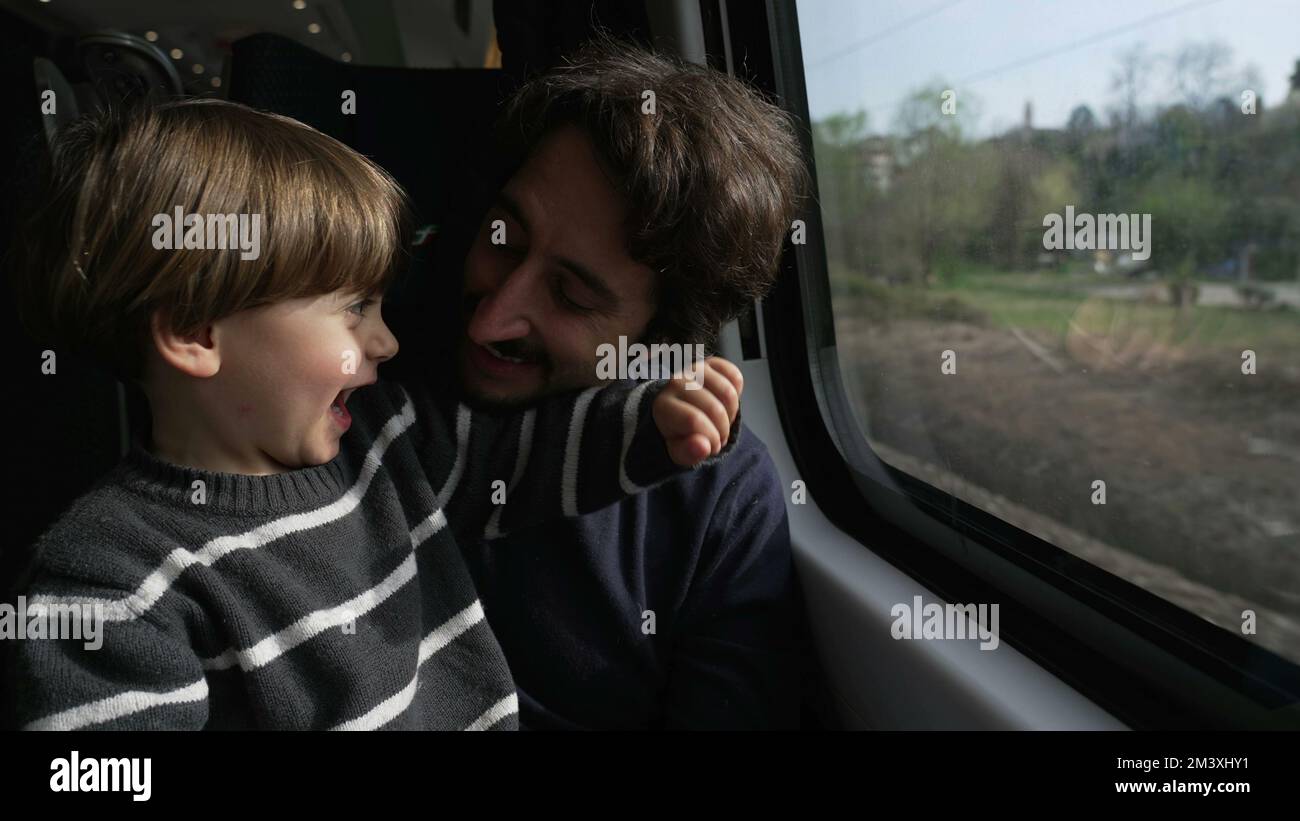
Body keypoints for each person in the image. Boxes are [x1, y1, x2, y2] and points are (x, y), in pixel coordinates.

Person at [4, 98, 744, 730]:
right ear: (197, 332)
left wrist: (648, 422)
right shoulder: (111, 580)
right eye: (354, 308)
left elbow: (518, 463)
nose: (387, 340)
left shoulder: (388, 439)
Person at [449, 37, 810, 728]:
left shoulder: (716, 491)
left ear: (660, 341)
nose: (491, 319)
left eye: (572, 297)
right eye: (504, 237)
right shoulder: (360, 383)